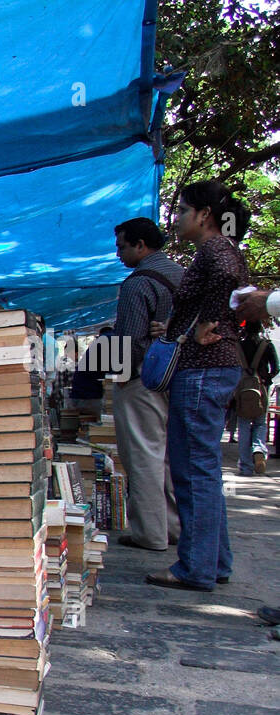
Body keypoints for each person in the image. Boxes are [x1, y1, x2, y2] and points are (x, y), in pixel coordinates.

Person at [145, 180, 251, 592]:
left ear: (204, 215)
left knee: (193, 470)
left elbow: (227, 281)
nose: (176, 219)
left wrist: (205, 323)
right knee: (200, 469)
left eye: (182, 210)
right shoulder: (219, 250)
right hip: (211, 365)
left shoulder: (215, 249)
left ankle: (195, 566)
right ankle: (212, 560)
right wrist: (181, 326)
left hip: (204, 368)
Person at [110, 217, 185, 551]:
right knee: (167, 456)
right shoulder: (183, 276)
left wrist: (122, 377)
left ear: (141, 246)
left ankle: (151, 533)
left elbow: (128, 339)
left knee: (142, 455)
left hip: (145, 377)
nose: (118, 254)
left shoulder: (137, 284)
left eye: (122, 246)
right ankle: (172, 527)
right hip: (178, 376)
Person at [233, 321, 277, 475]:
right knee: (260, 423)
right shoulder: (267, 345)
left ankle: (245, 466)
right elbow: (276, 367)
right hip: (261, 388)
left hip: (242, 388)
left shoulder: (239, 345)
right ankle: (258, 450)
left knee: (243, 425)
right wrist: (266, 379)